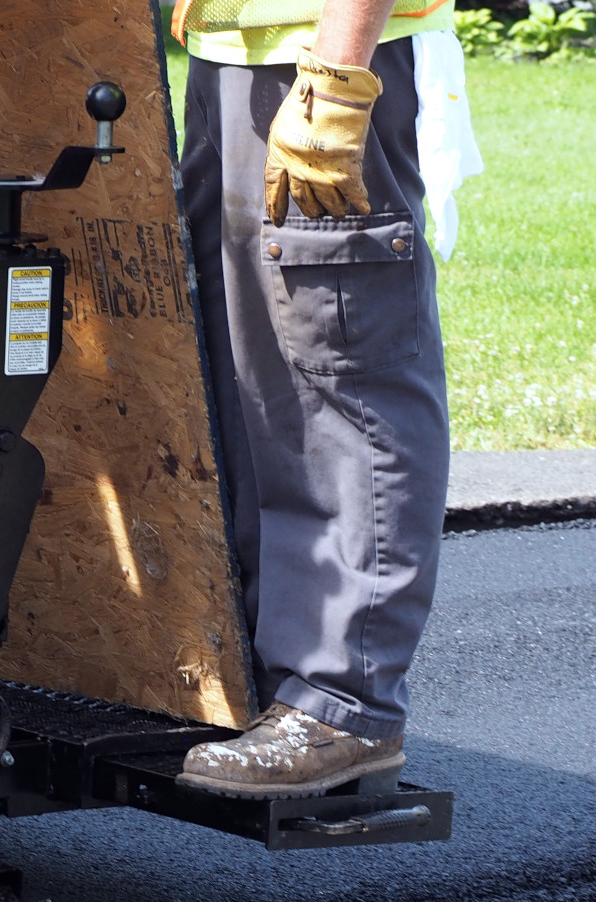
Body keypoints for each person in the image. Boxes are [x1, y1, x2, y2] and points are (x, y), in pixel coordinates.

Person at [172, 0, 481, 798]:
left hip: (328, 63)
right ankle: (280, 682)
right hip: (237, 58)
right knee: (251, 382)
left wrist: (340, 76)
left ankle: (343, 704)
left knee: (344, 376)